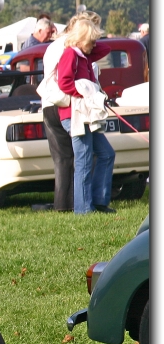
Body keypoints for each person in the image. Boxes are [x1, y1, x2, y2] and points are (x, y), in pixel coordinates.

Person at [32, 10, 100, 212]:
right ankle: (76, 205)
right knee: (78, 156)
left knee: (62, 158)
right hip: (67, 102)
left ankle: (63, 204)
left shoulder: (53, 46)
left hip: (49, 103)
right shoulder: (73, 49)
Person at [57, 17, 115, 214]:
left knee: (107, 153)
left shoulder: (83, 55)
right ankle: (83, 209)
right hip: (74, 115)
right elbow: (64, 83)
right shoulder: (70, 55)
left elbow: (104, 50)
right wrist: (86, 92)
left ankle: (99, 201)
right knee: (83, 161)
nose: (93, 46)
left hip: (85, 115)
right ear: (81, 40)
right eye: (90, 41)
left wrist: (91, 43)